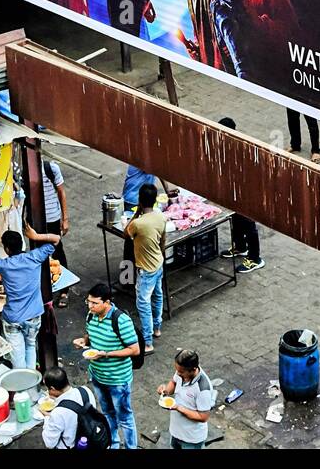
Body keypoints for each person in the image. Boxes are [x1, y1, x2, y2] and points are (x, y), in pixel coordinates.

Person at [0, 224, 60, 370]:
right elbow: (56, 239)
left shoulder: (3, 264)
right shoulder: (35, 257)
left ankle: (23, 387)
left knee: (18, 356)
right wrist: (35, 236)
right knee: (30, 347)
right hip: (34, 316)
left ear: (7, 249)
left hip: (13, 318)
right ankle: (31, 384)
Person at [74, 282, 140, 449]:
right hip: (97, 375)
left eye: (94, 303)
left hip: (118, 379)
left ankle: (131, 446)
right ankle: (114, 444)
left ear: (107, 302)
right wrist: (84, 341)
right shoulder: (91, 315)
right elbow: (90, 335)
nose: (90, 306)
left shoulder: (121, 320)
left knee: (124, 417)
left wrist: (106, 353)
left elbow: (134, 350)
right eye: (88, 301)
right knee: (107, 414)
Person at [215, 118, 265, 273]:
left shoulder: (241, 149)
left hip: (246, 193)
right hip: (233, 191)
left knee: (248, 224)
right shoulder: (225, 146)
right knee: (235, 218)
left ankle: (255, 258)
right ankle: (240, 246)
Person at [125, 183, 166, 352]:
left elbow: (126, 233)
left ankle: (147, 342)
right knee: (157, 296)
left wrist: (137, 212)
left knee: (143, 304)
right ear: (156, 200)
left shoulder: (138, 223)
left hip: (146, 270)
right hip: (158, 262)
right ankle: (157, 328)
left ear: (140, 201)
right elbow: (163, 241)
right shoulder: (160, 217)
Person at [157, 348, 216, 449]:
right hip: (175, 431)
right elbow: (174, 382)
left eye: (181, 372)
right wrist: (166, 391)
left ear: (193, 369)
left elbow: (203, 417)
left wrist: (178, 408)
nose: (178, 373)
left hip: (191, 439)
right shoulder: (181, 371)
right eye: (177, 370)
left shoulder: (203, 389)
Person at [40, 366, 100, 449]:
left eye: (48, 389)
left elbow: (49, 443)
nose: (47, 391)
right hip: (91, 438)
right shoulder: (85, 390)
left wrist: (47, 418)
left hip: (71, 446)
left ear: (53, 389)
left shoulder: (58, 413)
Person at [40, 157, 72, 307]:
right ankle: (46, 285)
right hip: (35, 218)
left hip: (52, 217)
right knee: (39, 252)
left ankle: (64, 289)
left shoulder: (50, 168)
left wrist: (65, 219)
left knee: (57, 251)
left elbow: (61, 192)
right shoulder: (20, 169)